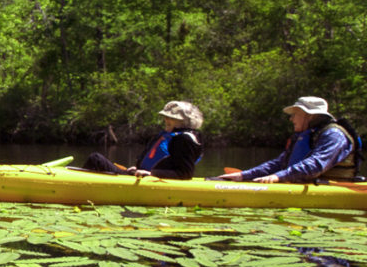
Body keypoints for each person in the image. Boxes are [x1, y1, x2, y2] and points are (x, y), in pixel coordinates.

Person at [217, 96, 358, 184]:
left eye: (295, 114)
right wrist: (244, 175)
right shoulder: (307, 133)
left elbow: (315, 165)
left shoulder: (334, 135)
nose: (291, 119)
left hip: (333, 187)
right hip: (308, 183)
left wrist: (278, 177)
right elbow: (280, 163)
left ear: (309, 116)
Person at [81, 101, 204, 179]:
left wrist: (152, 174)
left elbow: (185, 174)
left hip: (150, 180)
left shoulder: (184, 140)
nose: (166, 119)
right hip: (141, 176)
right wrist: (137, 168)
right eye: (166, 116)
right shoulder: (173, 136)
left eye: (171, 117)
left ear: (184, 121)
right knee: (96, 160)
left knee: (96, 159)